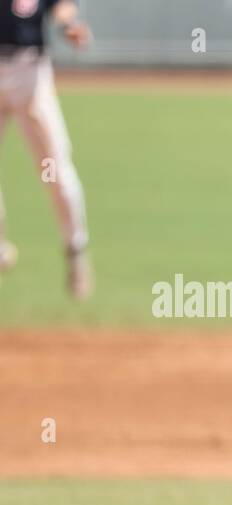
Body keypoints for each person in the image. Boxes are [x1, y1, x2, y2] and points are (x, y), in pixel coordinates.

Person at [0, 0, 93, 298]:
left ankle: (75, 247)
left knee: (55, 170)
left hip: (30, 74)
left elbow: (61, 5)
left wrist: (69, 26)